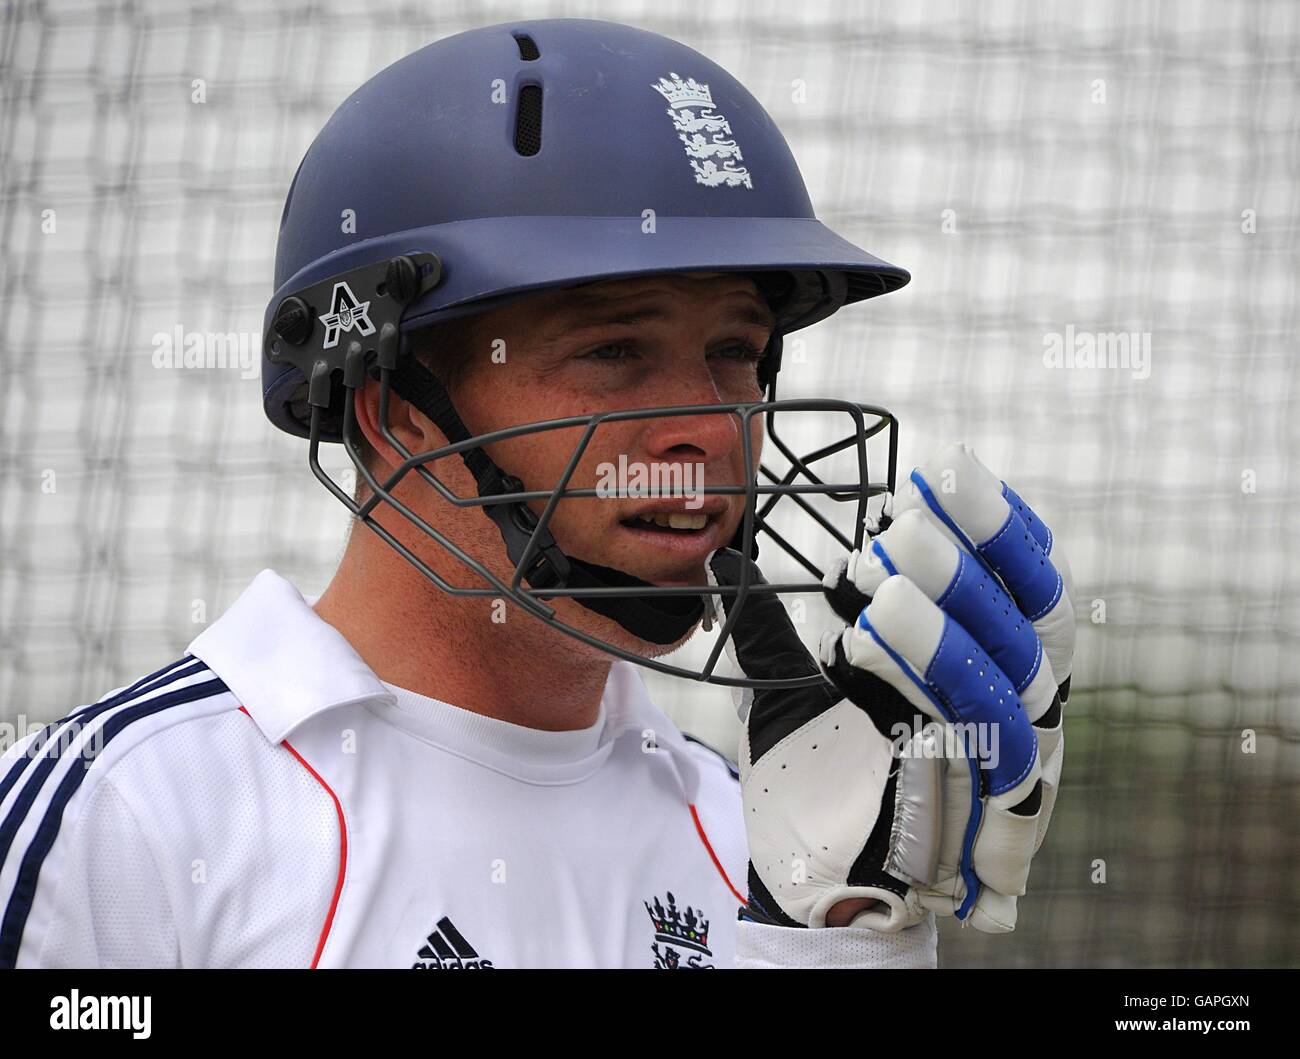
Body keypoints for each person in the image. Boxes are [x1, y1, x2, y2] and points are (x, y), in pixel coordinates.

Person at [0, 18, 1074, 969]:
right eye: (614, 350)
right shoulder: (126, 812)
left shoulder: (758, 826)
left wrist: (843, 938)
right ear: (393, 410)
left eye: (737, 351)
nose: (710, 424)